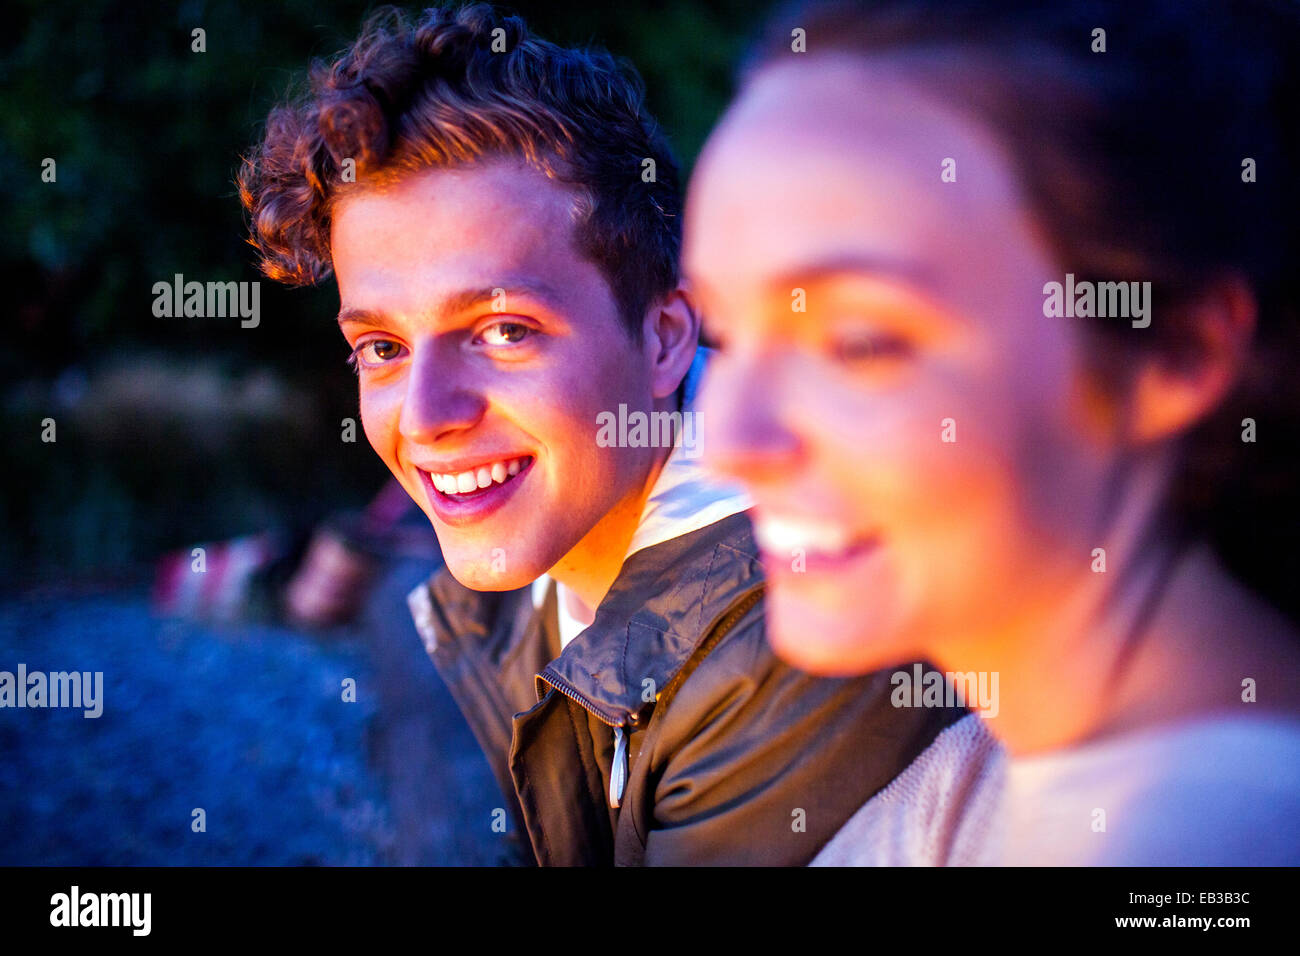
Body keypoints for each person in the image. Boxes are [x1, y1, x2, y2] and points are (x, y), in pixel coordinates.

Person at [239, 3, 962, 865]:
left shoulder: (799, 636)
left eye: (505, 329)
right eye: (384, 347)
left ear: (664, 337)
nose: (427, 416)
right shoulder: (543, 542)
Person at [685, 0, 1300, 864]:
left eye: (857, 342)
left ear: (1179, 350)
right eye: (723, 334)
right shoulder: (992, 761)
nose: (730, 440)